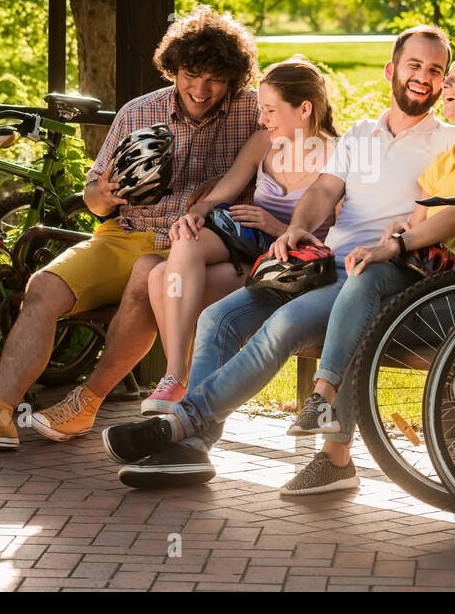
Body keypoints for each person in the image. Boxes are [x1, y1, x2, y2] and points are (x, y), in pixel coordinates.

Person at [102, 26, 455, 491]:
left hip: (381, 276)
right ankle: (192, 448)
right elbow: (326, 190)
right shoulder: (361, 134)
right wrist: (296, 228)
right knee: (218, 318)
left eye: (437, 71)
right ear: (391, 70)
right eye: (414, 66)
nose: (425, 78)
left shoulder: (448, 141)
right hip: (322, 264)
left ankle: (185, 429)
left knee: (284, 326)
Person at [0, 5, 261, 452]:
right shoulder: (138, 113)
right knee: (42, 287)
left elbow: (293, 144)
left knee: (145, 276)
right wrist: (106, 193)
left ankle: (86, 401)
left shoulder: (252, 111)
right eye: (190, 75)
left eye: (214, 79)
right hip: (122, 233)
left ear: (234, 78)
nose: (200, 90)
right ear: (173, 68)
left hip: (192, 246)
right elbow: (94, 201)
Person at [288, 47, 455, 491]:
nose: (446, 85)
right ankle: (324, 413)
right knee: (368, 291)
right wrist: (388, 241)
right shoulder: (441, 163)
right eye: (450, 78)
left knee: (367, 309)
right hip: (440, 293)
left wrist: (397, 243)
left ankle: (333, 452)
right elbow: (418, 220)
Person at [140, 58, 338, 414]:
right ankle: (178, 381)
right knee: (175, 254)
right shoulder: (265, 141)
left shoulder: (337, 155)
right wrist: (195, 214)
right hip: (250, 250)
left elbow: (335, 242)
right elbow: (223, 192)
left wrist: (276, 226)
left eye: (270, 110)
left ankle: (187, 395)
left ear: (304, 109)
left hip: (292, 271)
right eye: (262, 109)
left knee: (160, 277)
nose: (262, 119)